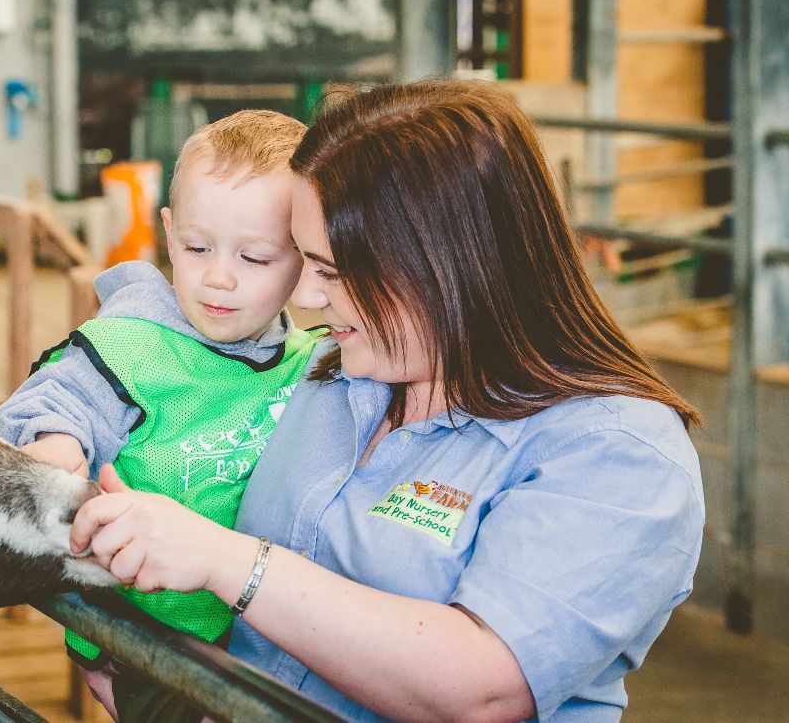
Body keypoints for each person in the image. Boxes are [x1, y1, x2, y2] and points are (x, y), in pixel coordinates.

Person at [67, 80, 705, 723]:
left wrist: (221, 559)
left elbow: (482, 688)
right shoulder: (322, 369)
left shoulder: (619, 455)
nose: (308, 296)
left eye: (334, 271)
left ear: (445, 267)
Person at [0, 110, 323, 722]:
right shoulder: (132, 341)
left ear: (307, 257)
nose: (217, 278)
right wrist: (59, 452)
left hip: (267, 631)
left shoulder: (311, 357)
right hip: (156, 640)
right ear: (168, 232)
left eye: (255, 258)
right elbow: (58, 402)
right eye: (197, 248)